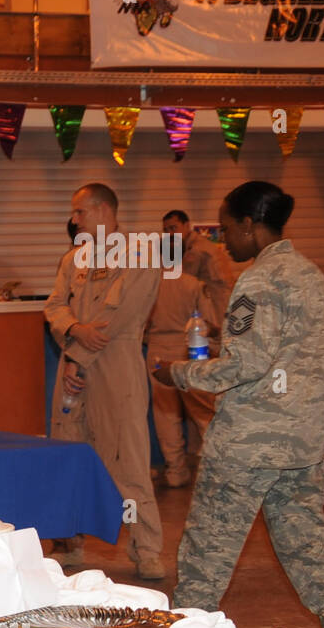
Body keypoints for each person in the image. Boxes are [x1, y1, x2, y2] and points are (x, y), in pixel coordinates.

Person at [152, 181, 324, 628]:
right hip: (301, 442)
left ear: (251, 226)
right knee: (311, 553)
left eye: (228, 228)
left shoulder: (258, 281)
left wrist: (179, 373)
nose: (223, 239)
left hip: (249, 444)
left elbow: (247, 365)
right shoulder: (310, 276)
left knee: (206, 556)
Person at [44, 183, 165, 580]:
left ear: (101, 210)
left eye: (79, 212)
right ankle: (68, 544)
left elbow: (123, 316)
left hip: (117, 366)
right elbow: (55, 306)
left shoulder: (142, 256)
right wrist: (73, 330)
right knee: (68, 457)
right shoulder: (72, 259)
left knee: (128, 460)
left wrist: (79, 356)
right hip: (74, 368)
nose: (74, 220)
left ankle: (146, 550)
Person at [144, 210, 222, 487]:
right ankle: (213, 468)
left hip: (156, 351)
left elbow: (138, 324)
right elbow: (208, 322)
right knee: (201, 410)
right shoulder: (193, 284)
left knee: (165, 415)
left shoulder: (148, 287)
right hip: (190, 350)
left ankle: (175, 470)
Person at [162, 209, 234, 354]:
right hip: (221, 303)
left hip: (215, 305)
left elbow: (181, 281)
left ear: (187, 225)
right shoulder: (199, 244)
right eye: (166, 230)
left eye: (173, 228)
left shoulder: (195, 250)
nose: (170, 233)